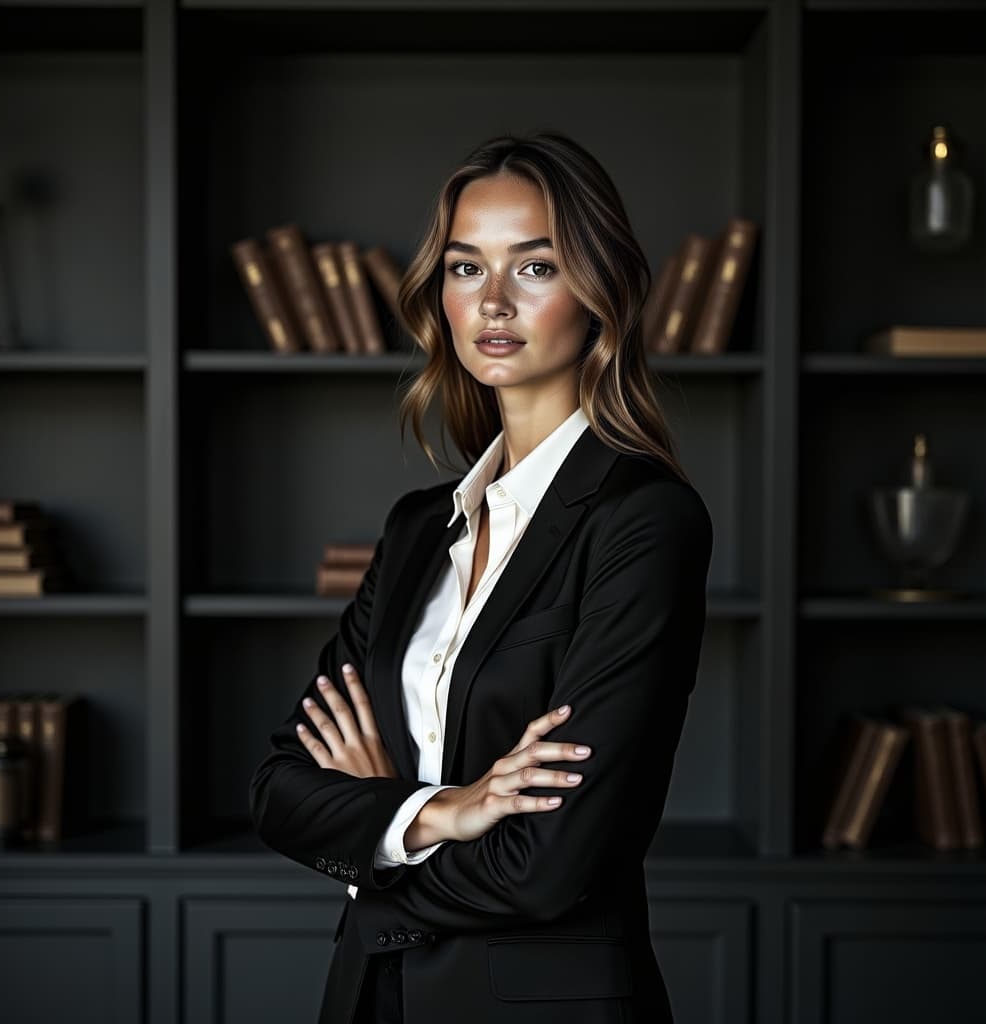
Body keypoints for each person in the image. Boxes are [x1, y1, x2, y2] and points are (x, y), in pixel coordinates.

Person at [249, 130, 713, 1024]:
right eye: (467, 268)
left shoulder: (645, 521)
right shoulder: (420, 528)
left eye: (534, 268)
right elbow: (279, 788)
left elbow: (552, 863)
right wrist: (440, 811)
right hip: (369, 1001)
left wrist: (375, 831)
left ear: (600, 294)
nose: (493, 301)